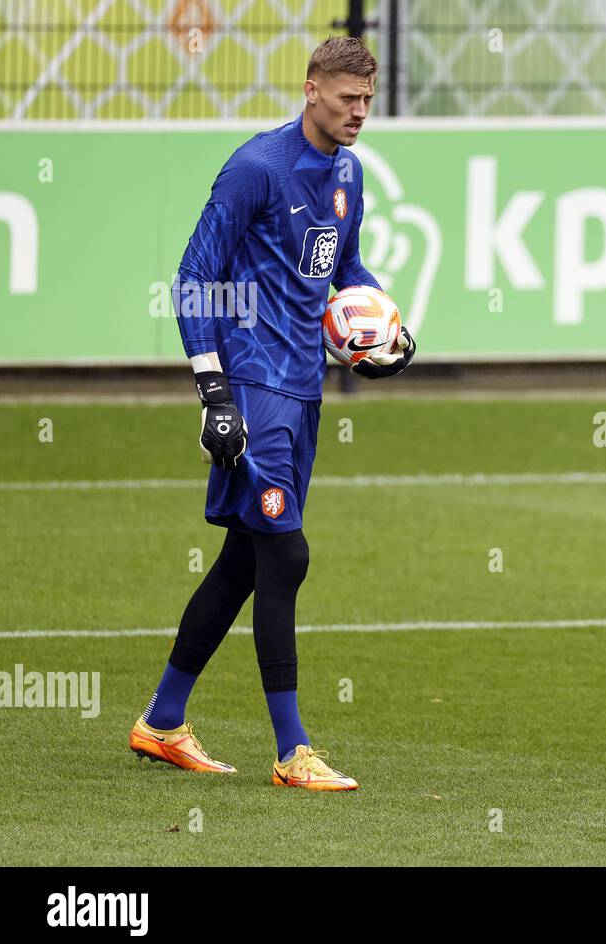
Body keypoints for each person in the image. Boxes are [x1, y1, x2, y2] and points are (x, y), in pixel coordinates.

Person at [128, 36, 415, 791]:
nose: (359, 113)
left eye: (367, 101)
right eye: (348, 99)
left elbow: (342, 267)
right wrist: (214, 394)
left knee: (244, 563)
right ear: (311, 88)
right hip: (254, 392)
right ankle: (292, 753)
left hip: (302, 390)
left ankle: (161, 721)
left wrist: (383, 321)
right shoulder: (257, 169)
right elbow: (194, 279)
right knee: (286, 556)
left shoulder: (348, 172)